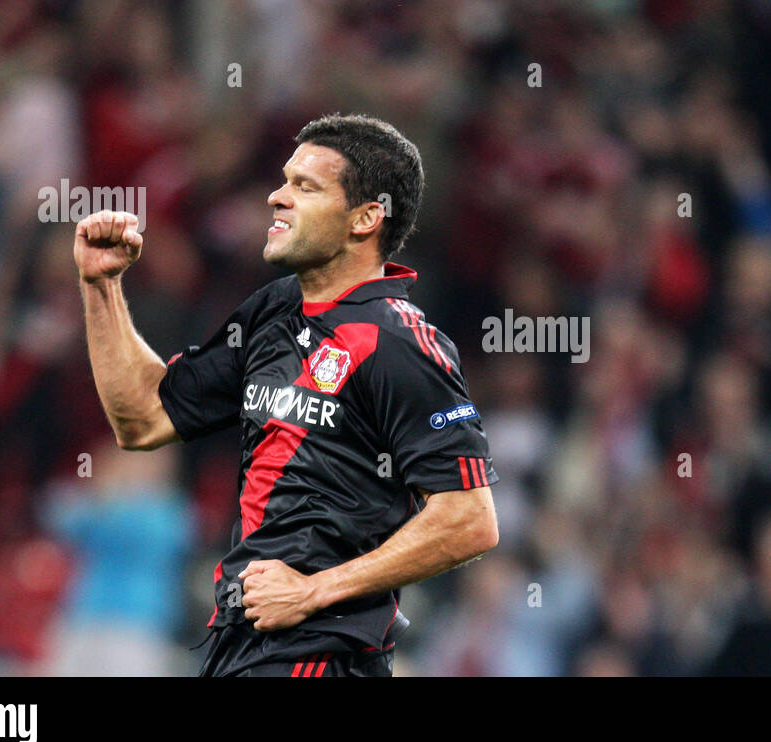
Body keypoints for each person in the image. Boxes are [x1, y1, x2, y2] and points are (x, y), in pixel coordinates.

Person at [73, 114, 499, 676]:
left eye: (305, 186)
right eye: (283, 180)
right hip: (241, 644)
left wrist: (313, 591)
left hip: (320, 655)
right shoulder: (272, 311)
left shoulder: (401, 343)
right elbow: (144, 418)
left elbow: (470, 519)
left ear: (366, 218)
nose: (277, 197)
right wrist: (101, 286)